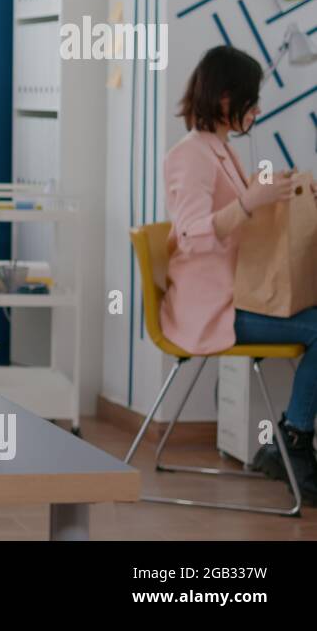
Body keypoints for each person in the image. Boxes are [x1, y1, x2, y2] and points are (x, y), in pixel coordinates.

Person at [162, 45, 317, 505]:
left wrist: (277, 190)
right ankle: (292, 441)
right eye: (251, 99)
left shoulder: (219, 150)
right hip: (211, 308)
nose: (257, 109)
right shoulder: (190, 155)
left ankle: (289, 438)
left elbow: (236, 211)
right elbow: (191, 235)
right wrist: (253, 201)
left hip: (237, 294)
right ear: (226, 99)